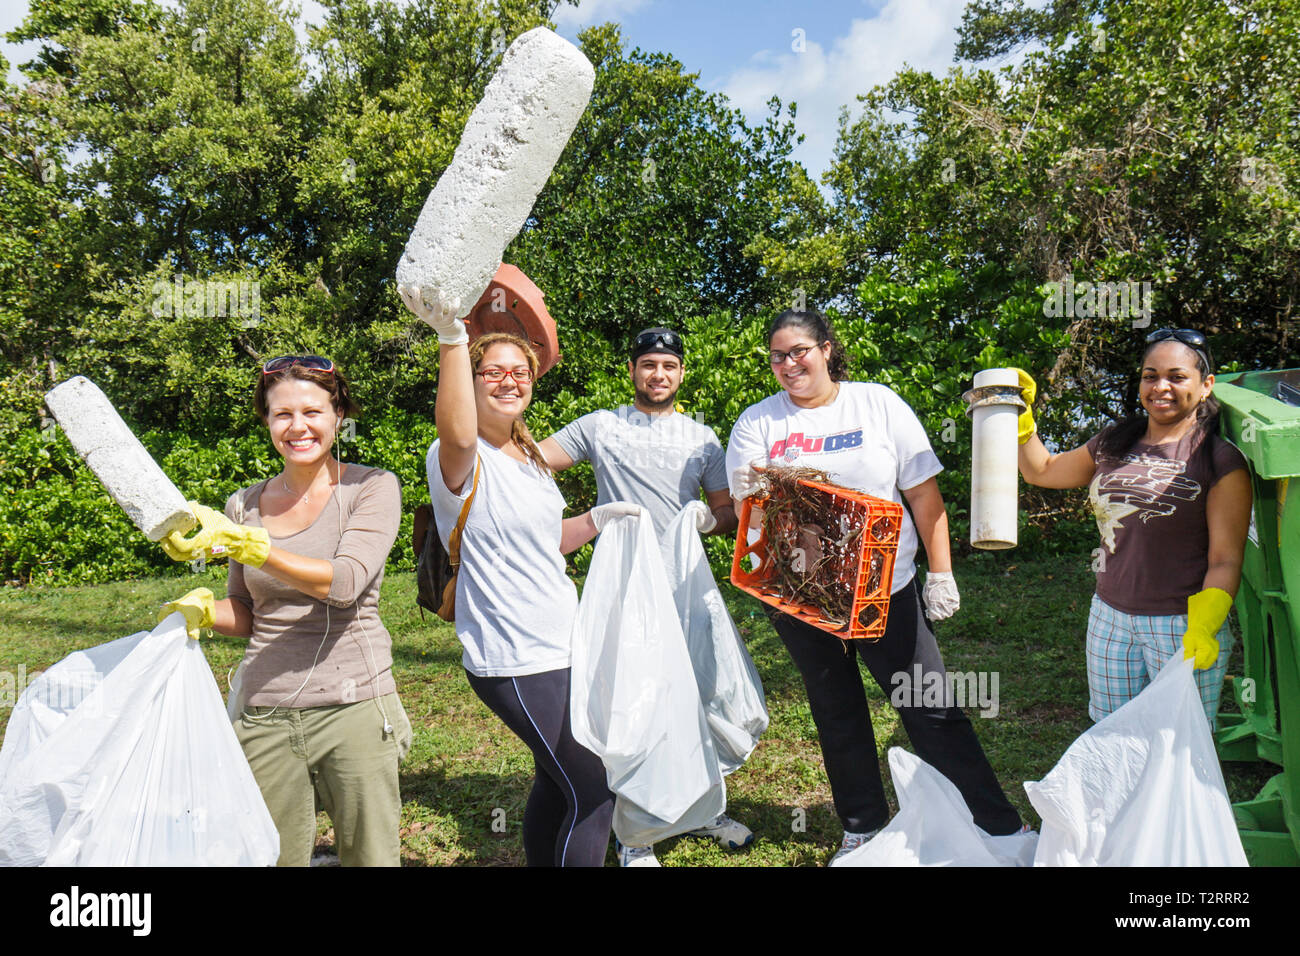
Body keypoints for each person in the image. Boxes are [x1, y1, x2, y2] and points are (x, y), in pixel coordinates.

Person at [726, 308, 1025, 863]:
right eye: (777, 356)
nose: (789, 364)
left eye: (800, 352)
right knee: (835, 709)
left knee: (929, 704)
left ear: (827, 350)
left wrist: (941, 572)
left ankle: (995, 823)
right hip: (801, 596)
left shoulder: (877, 403)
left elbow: (923, 494)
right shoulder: (758, 423)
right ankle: (863, 825)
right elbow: (755, 515)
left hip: (885, 588)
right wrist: (747, 493)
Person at [403, 282, 638, 867]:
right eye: (493, 372)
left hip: (561, 641)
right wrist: (454, 337)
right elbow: (456, 428)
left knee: (554, 781)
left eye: (520, 372)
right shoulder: (458, 455)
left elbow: (545, 542)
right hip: (513, 654)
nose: (509, 381)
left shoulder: (528, 454)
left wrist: (597, 519)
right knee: (592, 789)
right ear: (472, 381)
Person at [158, 355, 411, 867]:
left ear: (339, 415)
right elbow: (248, 611)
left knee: (372, 858)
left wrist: (255, 548)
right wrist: (203, 612)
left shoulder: (371, 488)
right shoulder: (244, 506)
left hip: (355, 705)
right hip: (265, 710)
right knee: (268, 856)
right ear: (267, 421)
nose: (299, 427)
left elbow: (344, 584)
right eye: (282, 414)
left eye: (313, 412)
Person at [539, 325, 749, 867]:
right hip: (626, 589)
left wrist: (708, 518)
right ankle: (635, 835)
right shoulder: (599, 427)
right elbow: (527, 464)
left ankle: (702, 809)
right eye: (649, 364)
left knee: (700, 693)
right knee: (633, 704)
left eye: (669, 366)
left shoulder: (701, 438)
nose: (659, 374)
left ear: (682, 373)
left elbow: (728, 511)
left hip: (684, 584)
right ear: (632, 370)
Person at [1015, 328, 1252, 727]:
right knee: (1112, 737)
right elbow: (1043, 471)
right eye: (1150, 375)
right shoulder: (1114, 440)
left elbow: (1226, 558)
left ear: (1206, 385)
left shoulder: (1220, 460)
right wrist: (1019, 419)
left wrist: (1206, 623)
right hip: (1109, 617)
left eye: (1177, 377)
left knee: (1178, 745)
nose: (1161, 387)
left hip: (1180, 624)